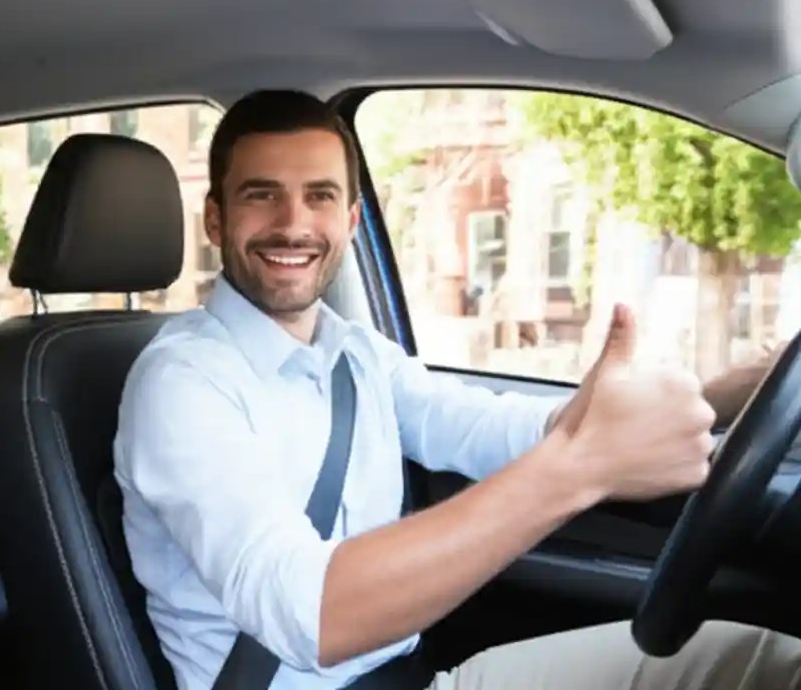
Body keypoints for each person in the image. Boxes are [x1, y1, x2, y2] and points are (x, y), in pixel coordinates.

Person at [113, 89, 801, 690]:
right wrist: (579, 470)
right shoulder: (183, 384)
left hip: (410, 678)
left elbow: (491, 428)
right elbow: (311, 614)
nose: (293, 224)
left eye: (319, 196)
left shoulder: (353, 352)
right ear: (215, 219)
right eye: (261, 195)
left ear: (350, 221)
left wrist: (732, 390)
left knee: (748, 659)